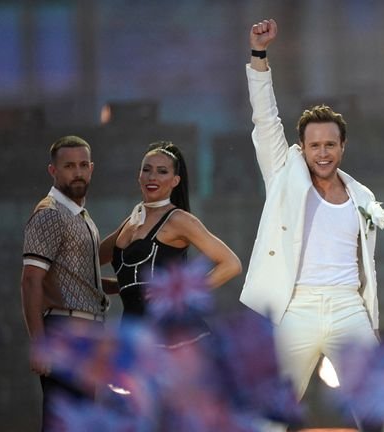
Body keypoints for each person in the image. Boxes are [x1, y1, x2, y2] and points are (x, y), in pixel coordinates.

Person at [240, 19, 384, 431]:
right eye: (314, 145)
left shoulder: (362, 196)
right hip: (297, 306)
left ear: (342, 146)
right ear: (303, 148)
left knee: (383, 416)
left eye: (330, 144)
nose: (323, 152)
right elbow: (266, 119)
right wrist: (259, 56)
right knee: (267, 415)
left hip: (350, 309)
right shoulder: (284, 175)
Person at [100, 141, 241, 346]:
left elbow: (231, 264)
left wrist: (181, 293)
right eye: (146, 170)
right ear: (138, 176)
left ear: (175, 180)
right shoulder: (130, 222)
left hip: (173, 338)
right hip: (133, 337)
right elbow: (93, 263)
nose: (152, 177)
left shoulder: (179, 220)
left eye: (162, 171)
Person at [21, 135, 115, 430]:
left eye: (83, 165)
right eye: (69, 166)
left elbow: (84, 279)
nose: (77, 172)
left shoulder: (80, 215)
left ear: (92, 168)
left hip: (89, 330)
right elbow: (30, 281)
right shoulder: (49, 214)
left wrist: (131, 284)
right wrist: (40, 344)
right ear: (53, 170)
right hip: (64, 331)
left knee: (83, 420)